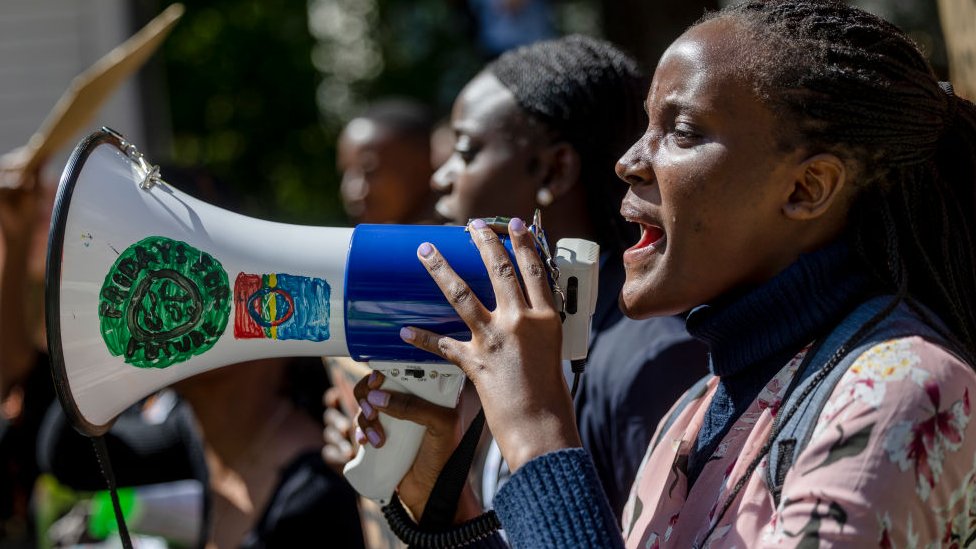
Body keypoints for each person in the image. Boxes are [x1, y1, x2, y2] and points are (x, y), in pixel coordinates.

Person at [356, 1, 976, 547]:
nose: (628, 163)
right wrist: (440, 506)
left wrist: (538, 430)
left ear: (808, 187)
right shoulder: (696, 412)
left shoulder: (903, 390)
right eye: (643, 129)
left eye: (679, 131)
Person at [427, 34, 708, 517]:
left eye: (468, 151)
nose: (441, 177)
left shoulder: (652, 362)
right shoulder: (534, 340)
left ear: (553, 171)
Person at [337, 99, 438, 225]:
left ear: (422, 168)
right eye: (344, 172)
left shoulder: (458, 239)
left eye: (370, 172)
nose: (352, 190)